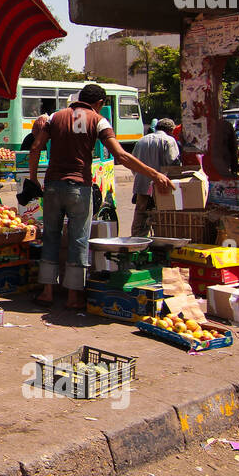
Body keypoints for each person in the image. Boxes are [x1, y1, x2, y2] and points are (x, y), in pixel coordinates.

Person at [28, 84, 174, 310]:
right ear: (99, 103)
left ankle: (47, 292)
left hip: (53, 185)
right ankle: (73, 296)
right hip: (79, 186)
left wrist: (34, 178)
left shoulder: (56, 116)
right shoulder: (98, 120)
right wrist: (154, 174)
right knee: (78, 239)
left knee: (51, 237)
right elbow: (121, 155)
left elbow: (36, 146)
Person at [129, 118, 180, 236]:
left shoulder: (141, 141)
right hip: (162, 187)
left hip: (141, 186)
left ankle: (137, 244)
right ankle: (159, 243)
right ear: (171, 130)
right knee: (162, 218)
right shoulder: (169, 140)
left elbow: (132, 162)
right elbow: (174, 164)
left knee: (140, 217)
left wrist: (140, 177)